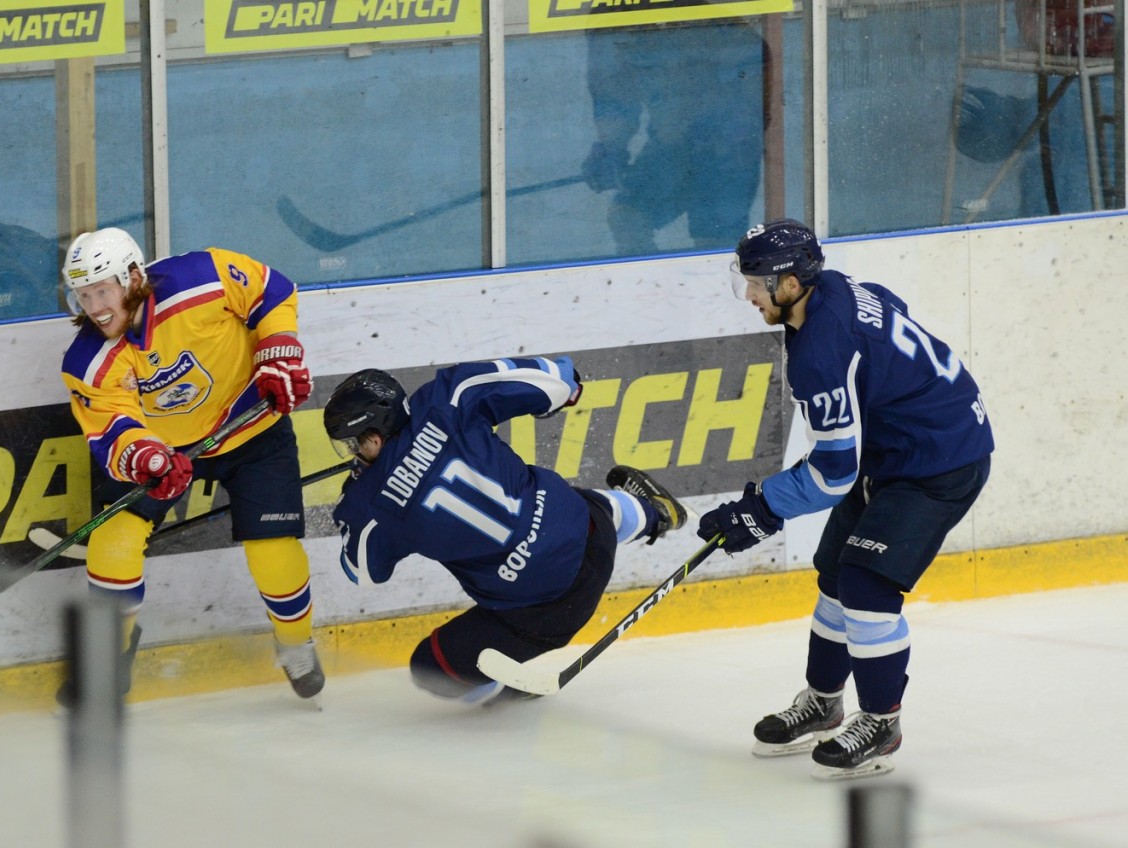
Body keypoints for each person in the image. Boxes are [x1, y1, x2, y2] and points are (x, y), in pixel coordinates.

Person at [696, 219, 993, 779]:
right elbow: (889, 304)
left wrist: (761, 509)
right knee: (834, 575)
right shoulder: (831, 290)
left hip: (939, 463)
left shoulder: (821, 353)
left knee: (865, 585)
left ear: (790, 285)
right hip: (894, 454)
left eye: (758, 283)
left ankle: (882, 723)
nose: (750, 294)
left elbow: (833, 474)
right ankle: (824, 702)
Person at [322, 358, 687, 705]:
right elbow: (560, 382)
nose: (352, 453)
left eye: (353, 444)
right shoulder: (448, 395)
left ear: (373, 437)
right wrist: (569, 387)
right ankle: (649, 513)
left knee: (431, 668)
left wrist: (355, 496)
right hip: (591, 531)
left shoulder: (367, 506)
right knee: (552, 502)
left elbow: (363, 571)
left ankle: (498, 692)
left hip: (547, 613)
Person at [57, 227, 322, 704]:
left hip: (250, 426)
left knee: (273, 549)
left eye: (103, 289)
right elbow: (113, 427)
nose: (95, 306)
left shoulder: (202, 277)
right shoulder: (87, 361)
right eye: (84, 294)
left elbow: (272, 290)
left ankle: (295, 642)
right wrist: (147, 457)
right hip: (169, 450)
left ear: (133, 277)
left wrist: (278, 350)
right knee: (112, 541)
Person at [581, 22, 767, 255]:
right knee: (627, 218)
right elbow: (613, 94)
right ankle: (647, 287)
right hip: (669, 149)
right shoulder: (610, 16)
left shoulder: (712, 20)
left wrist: (740, 131)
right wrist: (611, 148)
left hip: (725, 152)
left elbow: (757, 69)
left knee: (714, 245)